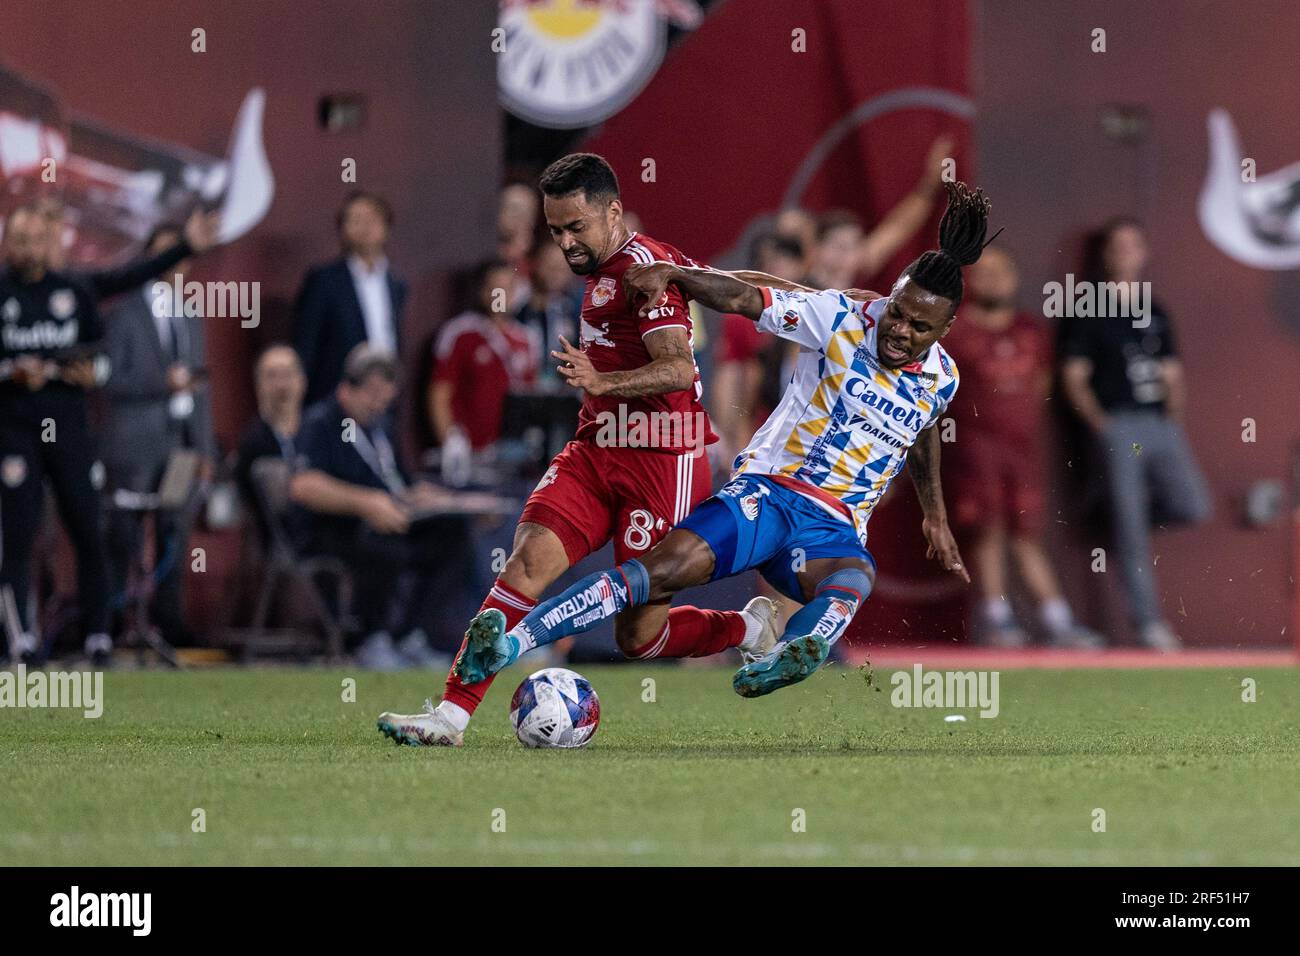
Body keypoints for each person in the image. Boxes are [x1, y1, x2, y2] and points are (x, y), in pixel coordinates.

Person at [439, 182, 986, 704]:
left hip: (833, 526)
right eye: (897, 312)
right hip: (766, 495)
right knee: (653, 579)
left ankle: (800, 647)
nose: (900, 330)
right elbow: (748, 296)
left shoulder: (943, 378)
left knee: (855, 575)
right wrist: (679, 273)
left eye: (919, 326)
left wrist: (934, 514)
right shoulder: (842, 316)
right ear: (888, 296)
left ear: (946, 329)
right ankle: (511, 643)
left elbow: (924, 429)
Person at [377, 152, 762, 747]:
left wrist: (605, 383)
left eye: (575, 227)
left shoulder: (644, 271)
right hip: (594, 449)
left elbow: (679, 369)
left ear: (612, 212)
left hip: (662, 461)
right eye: (555, 230)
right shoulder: (597, 271)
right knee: (524, 564)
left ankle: (746, 627)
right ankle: (451, 717)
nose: (565, 242)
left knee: (638, 637)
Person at [1059, 218, 1211, 650]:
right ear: (1105, 254)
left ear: (1144, 252)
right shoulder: (1087, 307)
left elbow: (1172, 371)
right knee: (1129, 532)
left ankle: (1120, 517)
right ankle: (1148, 623)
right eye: (1117, 245)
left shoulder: (1155, 309)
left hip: (1159, 423)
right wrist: (1100, 424)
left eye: (1132, 244)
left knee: (1192, 504)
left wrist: (1174, 414)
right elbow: (1073, 376)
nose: (1125, 252)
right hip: (1119, 423)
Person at [944, 247, 1102, 648]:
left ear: (1014, 277)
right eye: (984, 273)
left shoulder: (1032, 332)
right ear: (968, 281)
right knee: (989, 529)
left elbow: (1042, 388)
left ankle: (1058, 622)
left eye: (1001, 271)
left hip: (1024, 454)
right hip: (976, 449)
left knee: (1027, 533)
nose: (994, 280)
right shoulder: (955, 332)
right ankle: (997, 620)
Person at [289, 344, 464, 669]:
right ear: (347, 388)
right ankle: (368, 638)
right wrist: (365, 503)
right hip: (331, 530)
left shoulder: (379, 427)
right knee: (385, 544)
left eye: (386, 395)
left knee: (452, 536)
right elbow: (303, 486)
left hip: (391, 518)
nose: (379, 403)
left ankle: (409, 635)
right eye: (371, 394)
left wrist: (432, 499)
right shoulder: (321, 423)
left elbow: (399, 482)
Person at [0, 204, 111, 664]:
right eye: (18, 239)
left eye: (35, 239)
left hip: (68, 429)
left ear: (50, 242)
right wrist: (12, 372)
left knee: (86, 526)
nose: (27, 249)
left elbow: (101, 355)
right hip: (14, 430)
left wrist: (92, 373)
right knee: (18, 533)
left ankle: (99, 636)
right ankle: (21, 637)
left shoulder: (74, 291)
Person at [101, 223, 217, 647]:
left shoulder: (191, 315)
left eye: (180, 254)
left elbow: (201, 387)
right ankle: (113, 622)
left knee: (175, 533)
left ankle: (169, 622)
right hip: (133, 443)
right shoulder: (122, 314)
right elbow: (110, 380)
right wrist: (161, 382)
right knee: (124, 535)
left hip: (180, 444)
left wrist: (204, 448)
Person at [293, 192, 407, 405]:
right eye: (356, 219)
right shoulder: (324, 281)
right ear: (342, 229)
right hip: (337, 398)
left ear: (386, 227)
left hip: (383, 398)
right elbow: (307, 343)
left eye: (372, 219)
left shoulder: (396, 284)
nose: (365, 227)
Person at [427, 259, 538, 457]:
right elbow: (439, 395)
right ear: (483, 291)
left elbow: (532, 396)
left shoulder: (527, 339)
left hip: (514, 454)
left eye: (509, 288)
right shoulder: (461, 333)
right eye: (497, 289)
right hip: (470, 452)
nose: (503, 296)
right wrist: (450, 443)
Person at [234, 343, 307, 542]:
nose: (281, 385)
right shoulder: (252, 443)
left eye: (287, 374)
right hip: (279, 544)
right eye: (272, 376)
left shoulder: (320, 434)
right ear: (258, 385)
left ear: (302, 381)